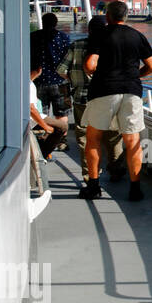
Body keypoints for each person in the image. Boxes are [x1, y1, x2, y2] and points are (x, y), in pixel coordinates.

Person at [79, 0, 152, 201]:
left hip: (104, 90)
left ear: (108, 16)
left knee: (93, 138)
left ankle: (94, 186)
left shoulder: (100, 34)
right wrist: (135, 76)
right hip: (131, 91)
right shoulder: (137, 35)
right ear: (126, 16)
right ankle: (135, 188)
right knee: (132, 141)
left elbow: (90, 64)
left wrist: (94, 71)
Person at [60, 15, 125, 182]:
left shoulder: (75, 45)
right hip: (107, 97)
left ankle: (89, 175)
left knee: (84, 138)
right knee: (112, 134)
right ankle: (116, 170)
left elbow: (61, 70)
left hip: (81, 97)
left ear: (88, 30)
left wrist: (74, 80)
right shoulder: (111, 45)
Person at [30, 12, 72, 147]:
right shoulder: (64, 37)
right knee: (62, 112)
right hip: (61, 80)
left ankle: (44, 138)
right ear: (56, 23)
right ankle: (62, 141)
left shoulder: (33, 36)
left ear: (42, 22)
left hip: (39, 80)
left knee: (42, 112)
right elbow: (68, 58)